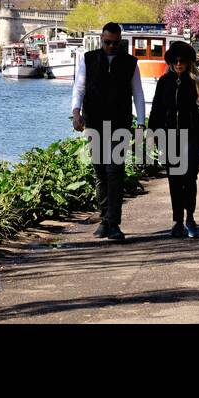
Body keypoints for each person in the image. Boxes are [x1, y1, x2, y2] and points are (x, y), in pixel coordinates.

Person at [71, 22, 146, 243]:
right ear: (101, 40)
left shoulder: (130, 63)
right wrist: (76, 112)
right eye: (107, 42)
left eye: (115, 42)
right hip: (94, 122)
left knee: (115, 172)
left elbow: (138, 95)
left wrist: (140, 124)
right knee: (100, 174)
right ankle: (104, 220)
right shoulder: (88, 59)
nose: (111, 46)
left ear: (120, 40)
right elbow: (79, 87)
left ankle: (114, 223)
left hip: (119, 124)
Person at [147, 41, 199, 238]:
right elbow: (156, 110)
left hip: (193, 135)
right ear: (170, 62)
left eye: (182, 61)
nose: (179, 64)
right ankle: (177, 220)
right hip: (170, 136)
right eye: (175, 61)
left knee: (189, 178)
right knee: (175, 180)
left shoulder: (197, 82)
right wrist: (152, 134)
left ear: (188, 62)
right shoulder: (164, 82)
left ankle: (190, 217)